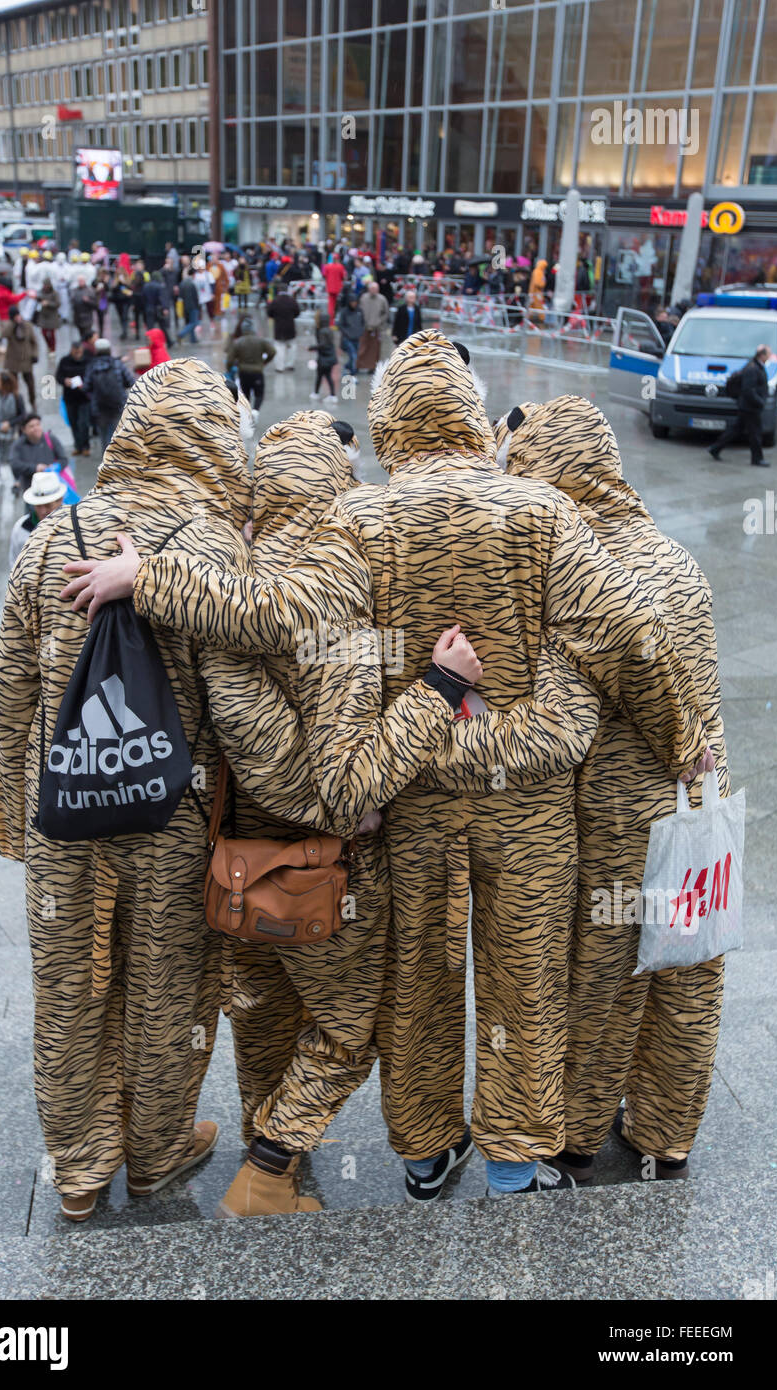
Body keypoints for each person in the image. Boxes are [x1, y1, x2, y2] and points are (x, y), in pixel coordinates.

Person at [62, 331, 713, 1203]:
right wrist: (683, 738)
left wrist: (152, 576)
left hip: (412, 803)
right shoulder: (540, 512)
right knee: (525, 981)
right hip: (530, 816)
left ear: (390, 423)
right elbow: (631, 636)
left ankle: (423, 1150)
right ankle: (515, 1162)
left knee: (422, 983)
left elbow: (271, 612)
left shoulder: (357, 519)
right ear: (471, 416)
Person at [0, 358, 371, 1223]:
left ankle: (80, 1171)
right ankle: (156, 1151)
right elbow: (236, 707)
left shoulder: (54, 536)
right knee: (170, 988)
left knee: (69, 990)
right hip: (174, 816)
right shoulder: (211, 547)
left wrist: (12, 818)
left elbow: (10, 690)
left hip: (67, 813)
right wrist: (315, 803)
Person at [214, 411, 482, 1217]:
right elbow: (352, 785)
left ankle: (273, 1167)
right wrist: (439, 689)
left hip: (235, 861)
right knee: (345, 1031)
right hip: (323, 866)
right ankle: (267, 1170)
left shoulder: (230, 589)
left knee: (260, 1019)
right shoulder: (339, 593)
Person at [494, 395, 729, 1184]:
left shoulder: (584, 565)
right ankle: (667, 1132)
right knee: (689, 970)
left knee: (606, 970)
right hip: (705, 805)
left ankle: (582, 1131)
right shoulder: (672, 554)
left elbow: (625, 670)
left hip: (627, 809)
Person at [708, 344, 773, 468]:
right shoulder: (753, 368)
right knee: (755, 433)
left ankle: (715, 448)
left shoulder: (756, 366)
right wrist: (760, 402)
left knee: (735, 430)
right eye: (768, 353)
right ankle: (757, 459)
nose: (770, 356)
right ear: (762, 355)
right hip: (750, 407)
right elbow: (748, 390)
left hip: (748, 406)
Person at [8, 465, 67, 568]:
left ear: (60, 500)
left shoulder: (75, 523)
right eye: (38, 505)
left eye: (48, 505)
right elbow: (14, 563)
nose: (43, 511)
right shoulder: (21, 528)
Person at [83, 338, 135, 450]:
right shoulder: (117, 364)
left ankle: (106, 461)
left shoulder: (92, 366)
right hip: (119, 405)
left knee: (104, 437)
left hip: (99, 407)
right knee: (119, 435)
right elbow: (130, 381)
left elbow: (86, 387)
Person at [225, 317, 275, 417]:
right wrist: (264, 362)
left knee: (246, 394)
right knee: (259, 394)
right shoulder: (260, 341)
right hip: (257, 372)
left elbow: (230, 359)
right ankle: (256, 411)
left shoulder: (238, 342)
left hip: (243, 372)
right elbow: (272, 351)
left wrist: (229, 368)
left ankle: (247, 414)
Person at [10, 413, 68, 497]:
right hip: (32, 491)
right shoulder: (18, 445)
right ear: (24, 429)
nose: (36, 428)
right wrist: (35, 468)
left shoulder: (51, 439)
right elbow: (14, 464)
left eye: (38, 424)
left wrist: (54, 467)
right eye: (31, 426)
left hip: (53, 489)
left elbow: (64, 459)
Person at [55, 340, 91, 456]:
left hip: (84, 397)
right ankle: (78, 445)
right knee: (73, 422)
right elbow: (58, 376)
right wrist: (65, 380)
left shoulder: (88, 361)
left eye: (79, 353)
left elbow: (92, 376)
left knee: (84, 423)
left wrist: (85, 384)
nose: (77, 355)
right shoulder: (64, 361)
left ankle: (85, 446)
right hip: (70, 398)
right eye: (75, 353)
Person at [0, 307, 39, 409]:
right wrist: (12, 324)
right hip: (13, 360)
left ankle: (32, 401)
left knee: (30, 383)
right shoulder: (10, 326)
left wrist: (35, 355)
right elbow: (3, 334)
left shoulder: (27, 325)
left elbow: (34, 342)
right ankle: (16, 403)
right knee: (13, 384)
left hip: (26, 358)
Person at [0, 370, 27, 475]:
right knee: (3, 456)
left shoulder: (16, 397)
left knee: (14, 456)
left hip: (13, 433)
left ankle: (17, 479)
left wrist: (10, 423)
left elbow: (23, 415)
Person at [358, 280, 389, 373]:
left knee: (375, 349)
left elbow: (385, 313)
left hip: (377, 328)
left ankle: (372, 367)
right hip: (364, 327)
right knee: (362, 347)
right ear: (369, 289)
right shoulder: (363, 298)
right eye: (372, 288)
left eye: (376, 289)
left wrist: (380, 322)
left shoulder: (382, 299)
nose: (374, 290)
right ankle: (359, 365)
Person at [266, 288, 301, 372]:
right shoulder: (292, 300)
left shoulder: (275, 301)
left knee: (279, 347)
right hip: (290, 327)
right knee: (292, 346)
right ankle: (290, 364)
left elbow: (269, 313)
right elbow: (297, 312)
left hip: (278, 327)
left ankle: (279, 367)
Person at [308, 311, 337, 403]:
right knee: (324, 376)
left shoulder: (322, 331)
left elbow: (323, 344)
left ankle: (325, 394)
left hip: (324, 358)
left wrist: (312, 347)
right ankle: (322, 394)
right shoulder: (329, 330)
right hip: (330, 356)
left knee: (322, 376)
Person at [336, 293, 364, 377]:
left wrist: (360, 332)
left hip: (357, 338)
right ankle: (352, 374)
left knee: (354, 356)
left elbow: (363, 323)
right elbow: (340, 325)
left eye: (355, 302)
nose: (354, 304)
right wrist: (347, 333)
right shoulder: (344, 312)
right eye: (352, 302)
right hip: (347, 339)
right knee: (353, 356)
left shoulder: (359, 311)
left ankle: (346, 368)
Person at [36, 277, 61, 356]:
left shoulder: (55, 293)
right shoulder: (41, 292)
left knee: (52, 334)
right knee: (43, 332)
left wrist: (48, 303)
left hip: (52, 315)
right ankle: (49, 346)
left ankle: (53, 348)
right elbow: (38, 298)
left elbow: (58, 303)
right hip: (44, 315)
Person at [176, 269, 201, 343]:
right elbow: (195, 297)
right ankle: (181, 334)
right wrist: (198, 307)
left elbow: (180, 296)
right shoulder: (192, 284)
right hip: (193, 306)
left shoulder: (182, 283)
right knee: (193, 323)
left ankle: (193, 339)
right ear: (193, 275)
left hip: (185, 306)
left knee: (191, 322)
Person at [109, 268, 133, 340]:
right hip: (118, 301)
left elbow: (130, 289)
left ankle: (124, 331)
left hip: (126, 301)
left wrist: (124, 283)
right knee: (120, 316)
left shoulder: (127, 280)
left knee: (124, 316)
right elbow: (112, 290)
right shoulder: (115, 280)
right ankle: (123, 329)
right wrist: (117, 283)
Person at [322, 256, 346, 324]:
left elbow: (324, 275)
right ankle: (338, 321)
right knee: (338, 305)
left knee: (331, 306)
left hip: (330, 288)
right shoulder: (340, 266)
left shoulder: (327, 266)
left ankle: (331, 322)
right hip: (338, 288)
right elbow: (343, 276)